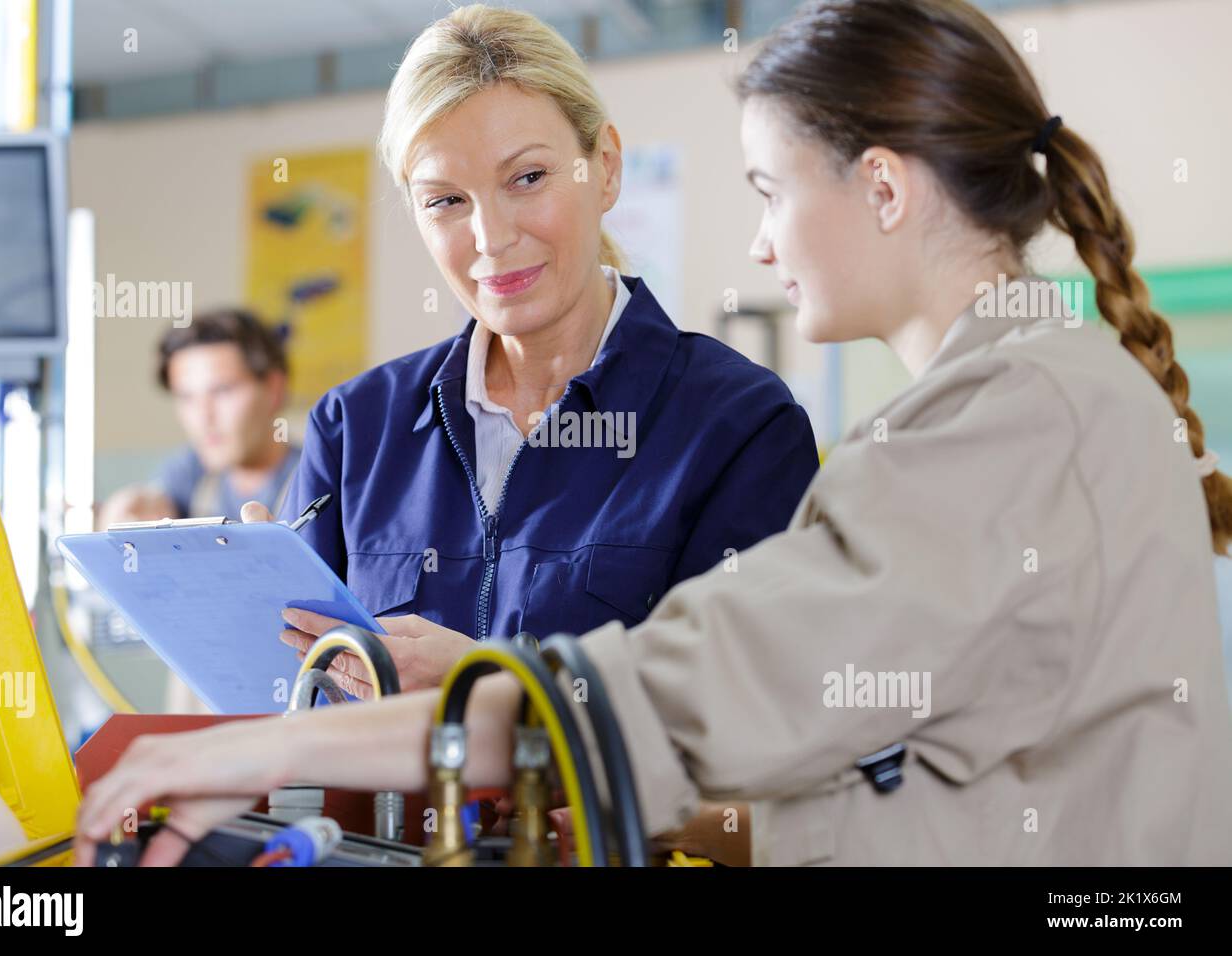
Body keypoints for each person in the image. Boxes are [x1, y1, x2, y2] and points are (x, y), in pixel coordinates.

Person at [78, 0, 1232, 867]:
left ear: (882, 190)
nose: (765, 244)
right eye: (442, 199)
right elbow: (874, 787)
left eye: (769, 190)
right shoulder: (1031, 393)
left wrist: (275, 746)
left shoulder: (999, 415)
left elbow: (693, 700)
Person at [256, 4, 818, 703]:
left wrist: (489, 688)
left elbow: (745, 720)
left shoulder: (739, 426)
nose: (490, 236)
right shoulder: (353, 429)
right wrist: (251, 594)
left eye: (527, 179)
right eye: (446, 201)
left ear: (605, 169)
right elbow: (288, 714)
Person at [97, 309, 300, 529]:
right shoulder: (189, 473)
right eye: (186, 397)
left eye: (222, 391)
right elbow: (151, 501)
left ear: (274, 389)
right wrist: (124, 513)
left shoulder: (317, 479)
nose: (204, 417)